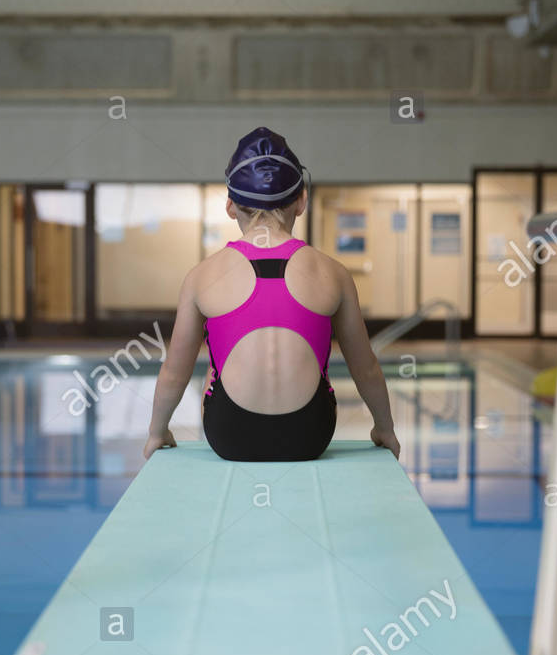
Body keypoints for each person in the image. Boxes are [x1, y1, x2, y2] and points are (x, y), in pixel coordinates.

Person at [143, 126, 400, 462]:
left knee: (213, 361)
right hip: (309, 436)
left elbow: (175, 371)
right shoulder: (334, 273)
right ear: (302, 201)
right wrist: (385, 429)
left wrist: (156, 432)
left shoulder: (202, 276)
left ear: (231, 207)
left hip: (230, 436)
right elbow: (364, 367)